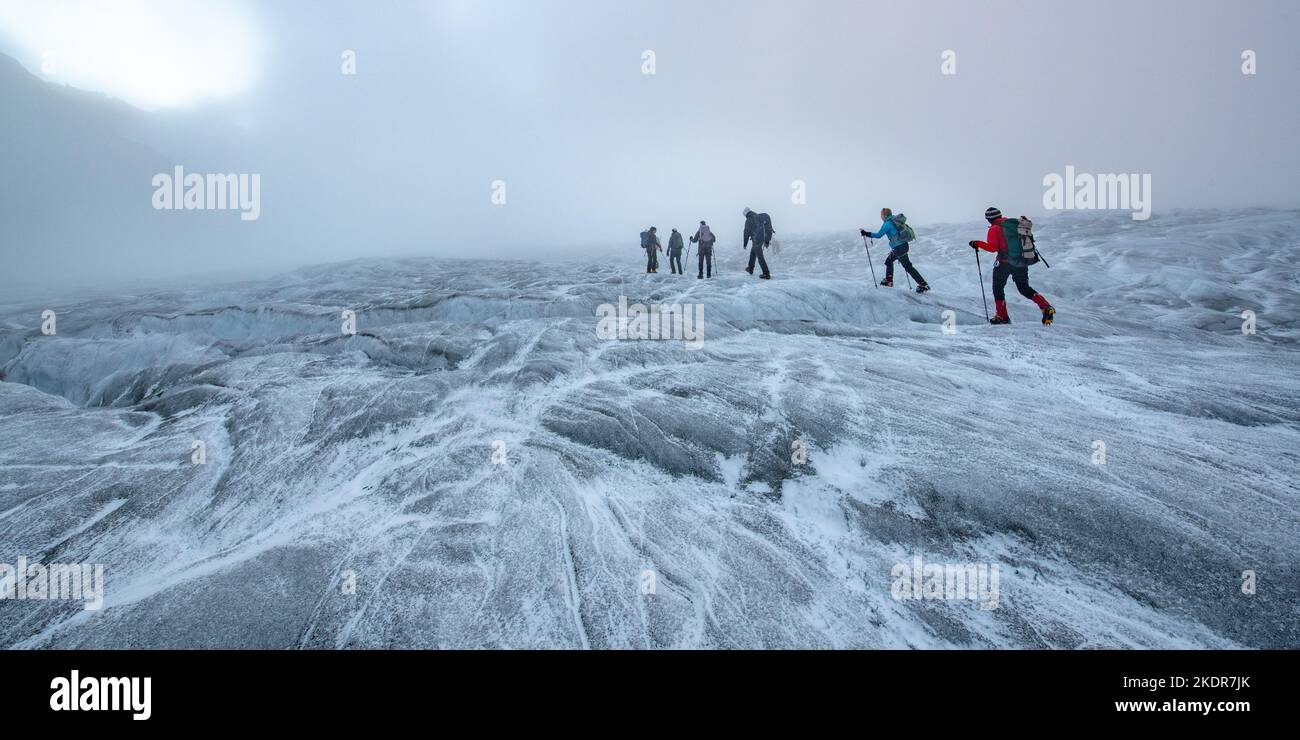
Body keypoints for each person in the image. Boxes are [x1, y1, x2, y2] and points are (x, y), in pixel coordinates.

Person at [969, 207, 1056, 325]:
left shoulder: (994, 228)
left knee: (998, 288)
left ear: (989, 219)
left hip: (1004, 263)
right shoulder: (1013, 225)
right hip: (1020, 261)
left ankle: (1002, 316)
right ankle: (1045, 306)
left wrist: (977, 243)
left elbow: (993, 248)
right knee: (1024, 288)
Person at [861, 208, 929, 293]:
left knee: (908, 267)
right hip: (903, 246)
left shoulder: (887, 224)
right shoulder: (895, 220)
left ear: (884, 215)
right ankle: (889, 281)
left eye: (881, 215)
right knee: (889, 261)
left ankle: (923, 285)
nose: (881, 217)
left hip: (899, 248)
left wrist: (866, 233)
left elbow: (878, 235)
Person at [741, 207, 773, 279]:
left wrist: (745, 243)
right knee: (753, 252)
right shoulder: (759, 216)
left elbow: (746, 232)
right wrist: (766, 240)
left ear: (746, 214)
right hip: (761, 239)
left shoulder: (749, 220)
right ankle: (750, 268)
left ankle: (766, 273)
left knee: (760, 256)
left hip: (757, 240)